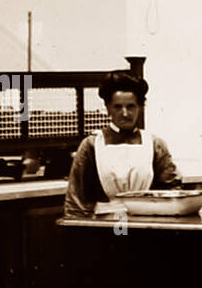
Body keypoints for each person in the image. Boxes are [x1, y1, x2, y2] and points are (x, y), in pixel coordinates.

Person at [63, 71, 180, 218]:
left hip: (145, 222)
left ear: (140, 107)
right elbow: (76, 200)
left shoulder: (155, 144)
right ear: (108, 108)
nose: (125, 113)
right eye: (118, 107)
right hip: (105, 224)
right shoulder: (92, 145)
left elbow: (171, 191)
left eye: (131, 106)